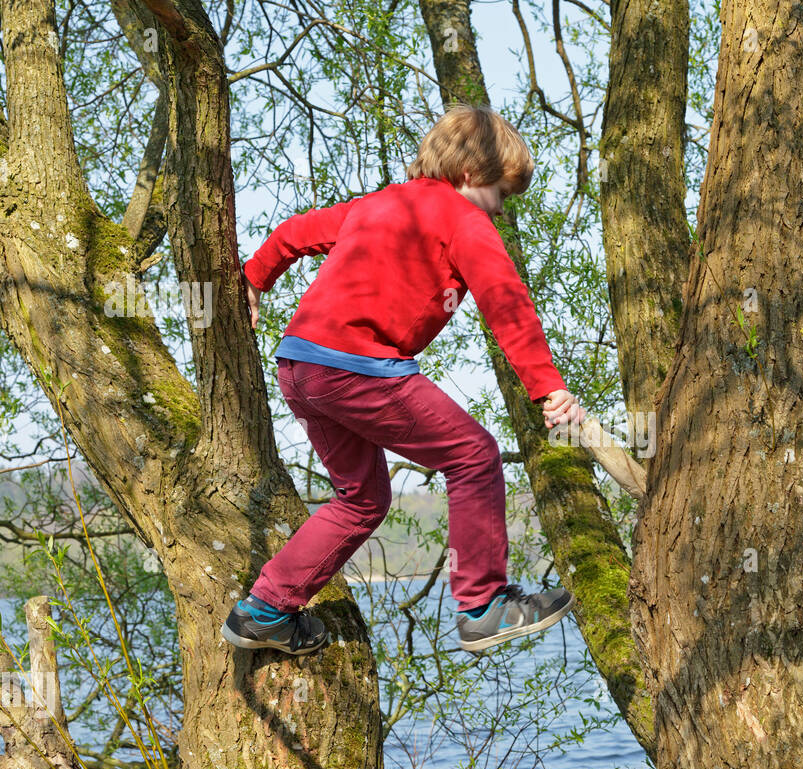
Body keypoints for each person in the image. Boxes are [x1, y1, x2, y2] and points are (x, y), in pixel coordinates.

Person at [221, 103, 586, 658]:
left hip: (301, 367)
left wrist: (253, 279)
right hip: (358, 367)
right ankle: (482, 606)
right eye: (502, 194)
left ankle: (264, 611)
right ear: (469, 176)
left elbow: (295, 232)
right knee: (473, 455)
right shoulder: (464, 220)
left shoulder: (382, 203)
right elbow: (507, 306)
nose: (502, 210)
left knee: (362, 499)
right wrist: (548, 388)